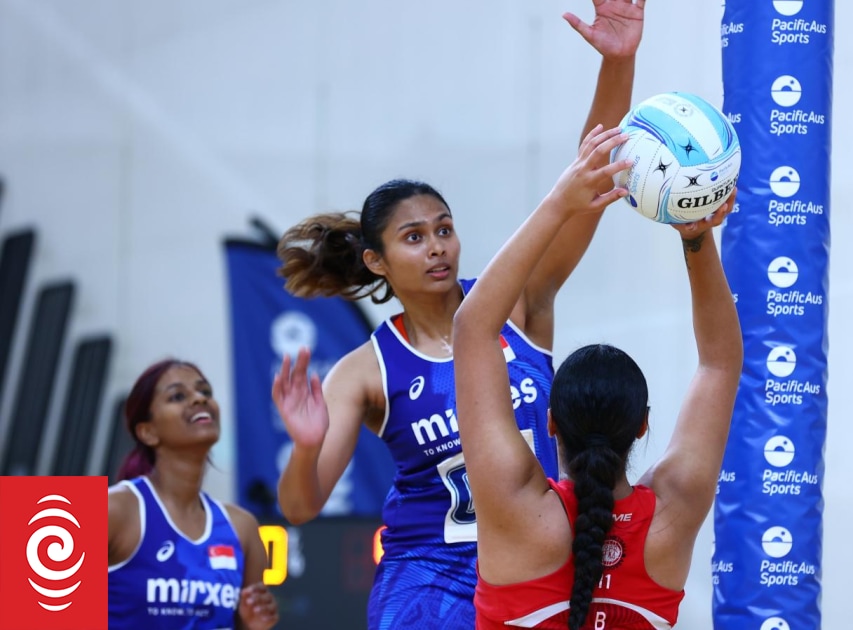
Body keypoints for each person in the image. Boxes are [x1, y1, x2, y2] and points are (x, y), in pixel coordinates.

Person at [269, 3, 648, 627]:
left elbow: (587, 187)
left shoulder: (515, 305)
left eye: (443, 229)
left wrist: (618, 61)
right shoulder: (366, 372)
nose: (437, 246)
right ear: (377, 260)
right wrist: (305, 450)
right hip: (429, 584)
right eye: (414, 237)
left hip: (535, 568)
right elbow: (301, 507)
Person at [452, 123, 742, 629]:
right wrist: (696, 236)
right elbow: (720, 363)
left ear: (550, 423)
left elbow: (473, 329)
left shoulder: (515, 509)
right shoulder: (671, 515)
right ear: (642, 425)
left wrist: (561, 204)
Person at [108, 359, 279, 630]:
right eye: (177, 396)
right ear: (148, 432)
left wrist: (253, 626)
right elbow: (25, 607)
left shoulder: (242, 527)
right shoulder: (114, 508)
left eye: (205, 392)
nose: (200, 399)